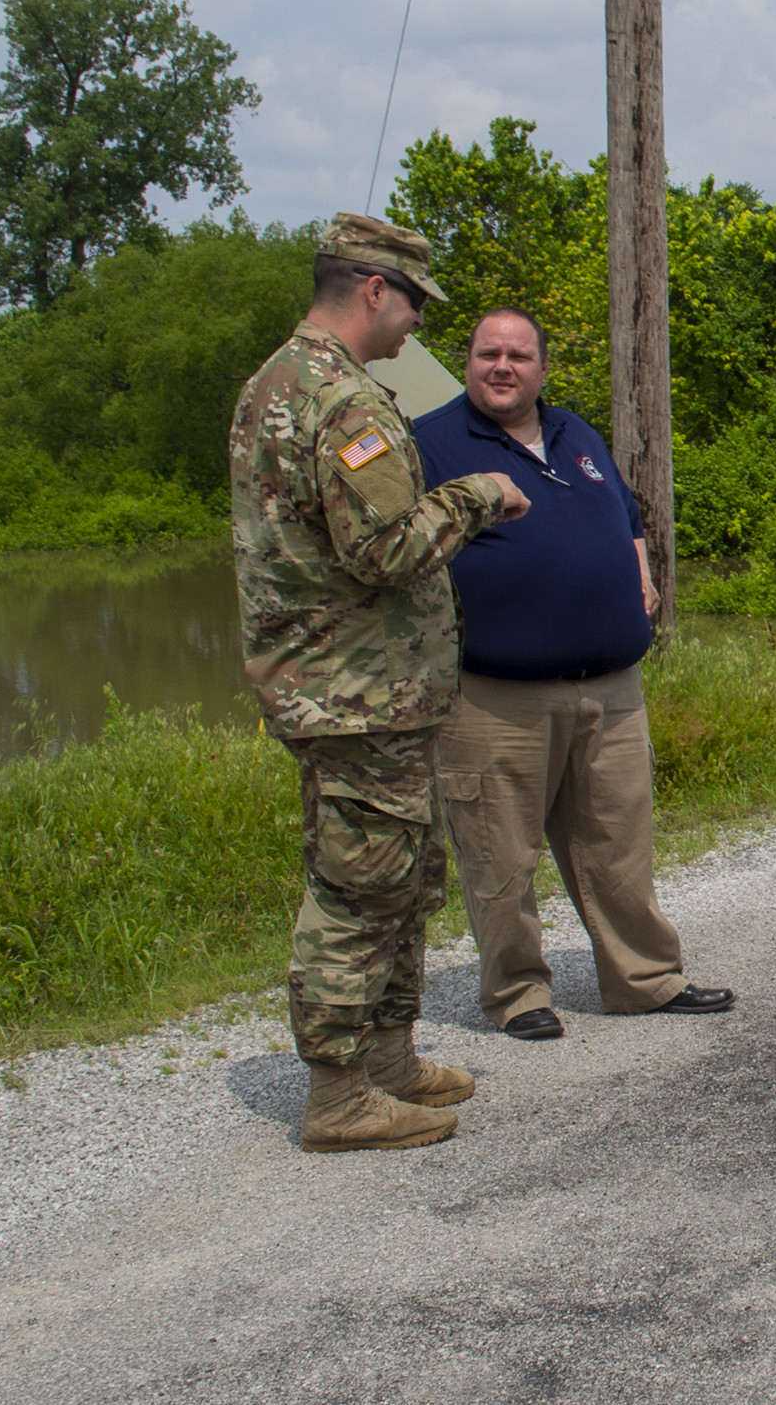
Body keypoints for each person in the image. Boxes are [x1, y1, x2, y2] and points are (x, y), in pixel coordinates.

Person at [230, 213, 526, 1153]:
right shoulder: (341, 398)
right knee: (359, 891)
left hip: (367, 693)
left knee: (403, 876)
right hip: (356, 694)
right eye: (411, 306)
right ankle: (337, 1094)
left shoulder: (281, 381)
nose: (415, 328)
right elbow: (388, 548)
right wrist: (480, 493)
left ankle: (388, 1059)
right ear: (371, 290)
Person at [415, 307, 735, 1042]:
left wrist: (641, 574)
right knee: (501, 854)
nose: (502, 366)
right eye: (487, 353)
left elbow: (627, 515)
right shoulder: (431, 442)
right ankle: (519, 993)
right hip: (494, 694)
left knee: (620, 845)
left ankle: (646, 980)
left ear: (542, 368)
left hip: (611, 689)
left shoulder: (575, 434)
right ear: (466, 362)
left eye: (518, 355)